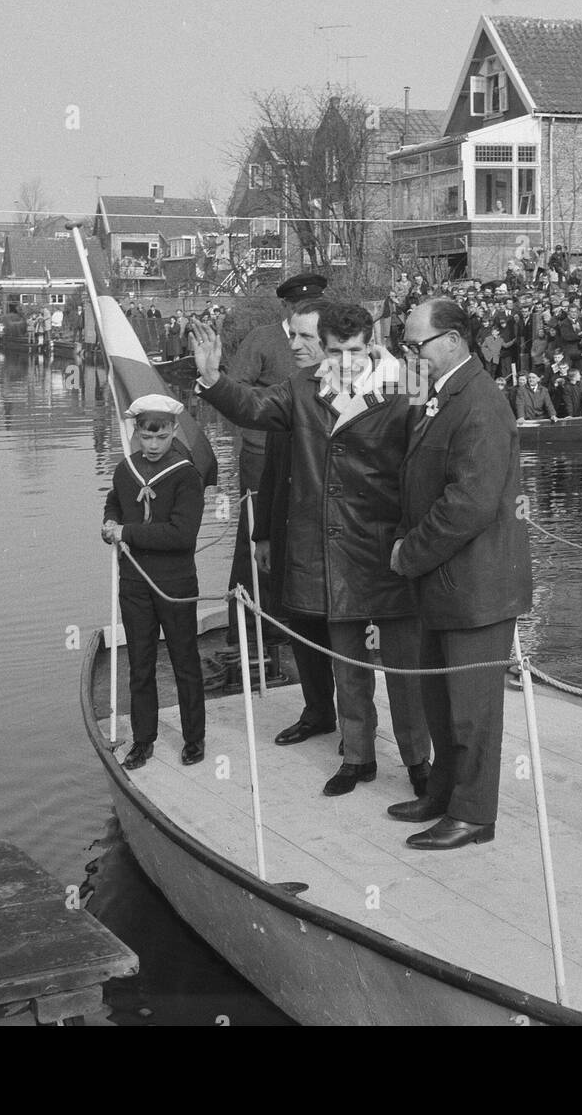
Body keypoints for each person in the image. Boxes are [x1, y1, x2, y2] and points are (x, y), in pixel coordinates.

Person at [191, 304, 431, 800]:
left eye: (356, 351)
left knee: (406, 671)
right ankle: (357, 756)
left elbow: (431, 464)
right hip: (333, 554)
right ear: (323, 345)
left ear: (374, 341)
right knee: (348, 667)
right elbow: (251, 407)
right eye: (337, 351)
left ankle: (418, 762)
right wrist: (212, 377)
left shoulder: (410, 384)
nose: (346, 361)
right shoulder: (303, 388)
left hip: (392, 553)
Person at [390, 298, 533, 850]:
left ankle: (474, 815)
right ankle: (444, 794)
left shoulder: (481, 405)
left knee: (472, 710)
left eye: (414, 343)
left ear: (450, 341)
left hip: (476, 586)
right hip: (445, 582)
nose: (409, 353)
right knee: (441, 700)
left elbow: (468, 504)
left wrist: (408, 553)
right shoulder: (445, 396)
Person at [221, 273, 328, 660]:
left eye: (312, 306)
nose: (305, 313)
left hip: (309, 453)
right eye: (298, 307)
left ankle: (294, 621)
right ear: (285, 307)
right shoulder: (262, 339)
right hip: (263, 451)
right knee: (257, 536)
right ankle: (250, 629)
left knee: (303, 536)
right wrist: (277, 405)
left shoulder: (328, 339)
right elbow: (235, 388)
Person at [102, 394, 207, 770]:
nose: (152, 445)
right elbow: (114, 502)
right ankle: (143, 740)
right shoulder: (125, 469)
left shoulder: (186, 475)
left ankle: (195, 738)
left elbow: (182, 536)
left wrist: (127, 531)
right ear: (136, 432)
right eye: (146, 437)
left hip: (174, 584)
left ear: (173, 431)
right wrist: (109, 524)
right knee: (140, 664)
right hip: (134, 584)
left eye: (160, 437)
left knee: (184, 660)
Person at [251, 302, 337, 747]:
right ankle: (318, 711)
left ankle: (358, 727)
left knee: (343, 636)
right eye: (293, 335)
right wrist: (262, 533)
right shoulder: (289, 390)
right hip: (291, 533)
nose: (295, 344)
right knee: (303, 626)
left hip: (334, 540)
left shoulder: (356, 393)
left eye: (305, 337)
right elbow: (271, 469)